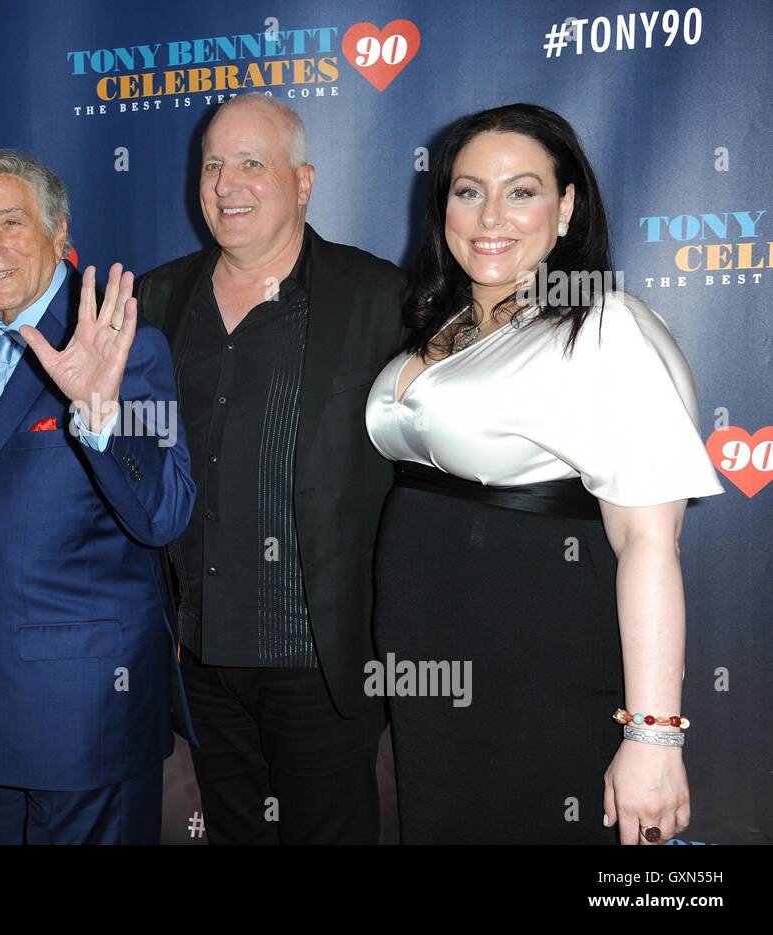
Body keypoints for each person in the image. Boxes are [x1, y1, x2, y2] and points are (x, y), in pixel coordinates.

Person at [365, 103, 723, 844]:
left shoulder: (604, 325)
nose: (489, 214)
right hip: (429, 665)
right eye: (467, 190)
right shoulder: (447, 323)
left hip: (538, 663)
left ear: (566, 207)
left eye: (521, 190)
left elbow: (649, 541)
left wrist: (654, 738)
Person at [137, 94, 405, 844]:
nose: (227, 184)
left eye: (252, 163)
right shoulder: (155, 300)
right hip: (201, 655)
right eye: (213, 165)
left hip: (319, 660)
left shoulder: (379, 297)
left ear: (305, 180)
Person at [0, 149, 196, 845]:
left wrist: (101, 415)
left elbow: (163, 512)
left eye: (11, 222)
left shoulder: (120, 342)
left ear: (58, 229)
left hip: (85, 712)